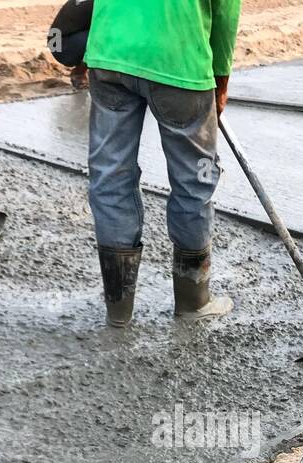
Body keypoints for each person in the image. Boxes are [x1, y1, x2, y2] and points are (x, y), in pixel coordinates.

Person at [82, 0, 241, 327]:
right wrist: (221, 76)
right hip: (178, 58)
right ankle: (193, 302)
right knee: (195, 179)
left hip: (110, 54)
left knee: (109, 176)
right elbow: (225, 7)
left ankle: (118, 311)